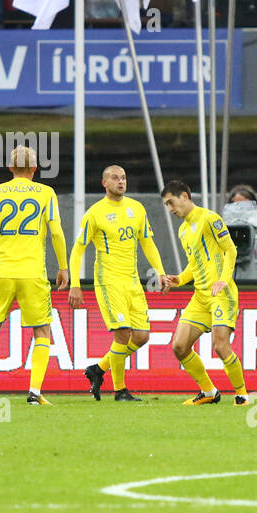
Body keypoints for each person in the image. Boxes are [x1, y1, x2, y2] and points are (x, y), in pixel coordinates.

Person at [0, 145, 69, 404]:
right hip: (33, 272)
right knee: (41, 331)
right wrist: (63, 266)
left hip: (3, 270)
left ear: (11, 168)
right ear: (35, 169)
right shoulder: (46, 193)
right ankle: (34, 392)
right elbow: (57, 233)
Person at [70, 165, 166, 402]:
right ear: (104, 183)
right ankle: (120, 390)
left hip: (132, 281)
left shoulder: (137, 208)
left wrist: (161, 272)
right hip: (109, 281)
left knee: (142, 336)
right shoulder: (95, 213)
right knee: (122, 334)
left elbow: (148, 243)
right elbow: (78, 250)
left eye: (123, 177)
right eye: (115, 178)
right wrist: (75, 284)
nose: (120, 182)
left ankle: (98, 370)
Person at [159, 181, 251, 405]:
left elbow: (230, 249)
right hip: (200, 297)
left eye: (171, 202)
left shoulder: (210, 219)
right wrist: (179, 279)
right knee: (179, 347)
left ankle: (242, 395)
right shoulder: (183, 230)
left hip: (221, 292)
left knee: (220, 346)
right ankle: (209, 392)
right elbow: (195, 264)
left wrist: (223, 280)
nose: (170, 209)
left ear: (184, 196)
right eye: (166, 205)